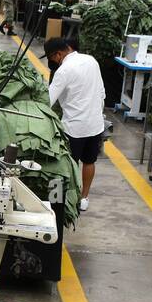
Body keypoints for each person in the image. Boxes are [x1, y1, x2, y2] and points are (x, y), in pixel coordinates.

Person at [45, 36, 106, 213]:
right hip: (95, 124)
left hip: (74, 127)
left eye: (51, 59)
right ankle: (84, 198)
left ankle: (67, 201)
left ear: (58, 54)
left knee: (67, 165)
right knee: (89, 161)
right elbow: (102, 92)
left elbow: (48, 100)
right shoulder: (91, 60)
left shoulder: (64, 71)